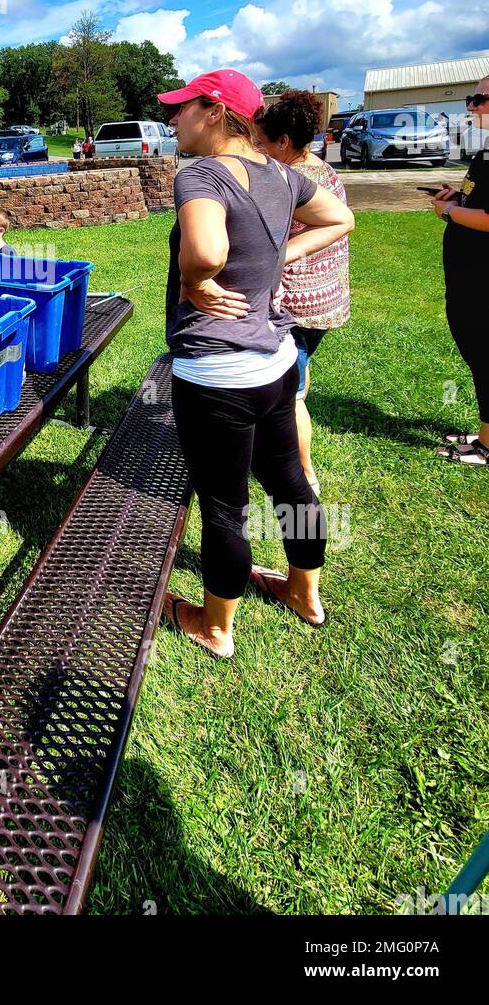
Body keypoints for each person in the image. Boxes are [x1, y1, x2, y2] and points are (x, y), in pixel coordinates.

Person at [156, 69, 354, 660]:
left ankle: (216, 627)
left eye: (180, 108)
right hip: (276, 362)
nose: (172, 120)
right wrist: (275, 258)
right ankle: (303, 593)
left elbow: (208, 250)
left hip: (218, 374)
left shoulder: (200, 173)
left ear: (214, 111)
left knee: (224, 506)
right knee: (291, 482)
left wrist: (197, 277)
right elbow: (340, 219)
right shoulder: (283, 174)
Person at [255, 90, 351, 492]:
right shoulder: (322, 169)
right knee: (298, 377)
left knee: (289, 395)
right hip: (326, 302)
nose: (257, 149)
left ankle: (302, 475)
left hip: (297, 305)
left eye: (261, 142)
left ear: (283, 142)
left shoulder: (291, 180)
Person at [432, 75, 489, 466]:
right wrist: (459, 197)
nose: (470, 106)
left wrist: (450, 211)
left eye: (479, 99)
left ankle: (486, 447)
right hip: (470, 276)